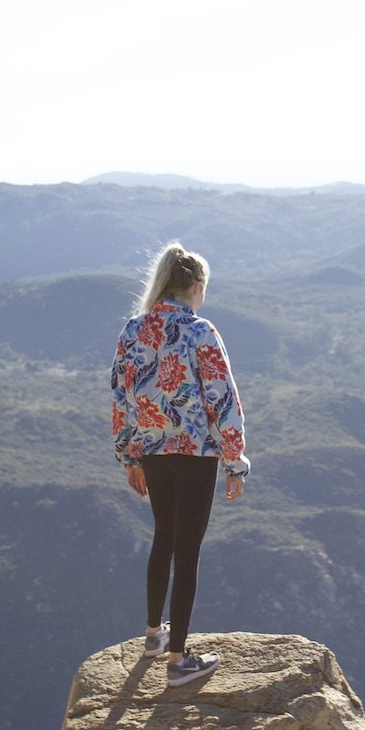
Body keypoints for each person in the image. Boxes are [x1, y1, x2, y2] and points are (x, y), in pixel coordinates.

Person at [110, 241, 249, 687]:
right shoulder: (200, 331)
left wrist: (129, 455)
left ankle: (154, 636)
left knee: (164, 538)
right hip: (194, 454)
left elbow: (121, 397)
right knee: (187, 551)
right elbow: (222, 399)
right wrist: (235, 460)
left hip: (152, 451)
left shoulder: (134, 330)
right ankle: (178, 662)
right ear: (195, 286)